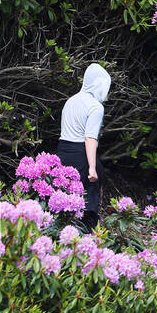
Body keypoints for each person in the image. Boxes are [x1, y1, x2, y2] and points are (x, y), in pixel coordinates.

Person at [58, 62, 111, 234]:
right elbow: (90, 138)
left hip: (62, 152)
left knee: (62, 194)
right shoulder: (96, 107)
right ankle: (84, 236)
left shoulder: (70, 101)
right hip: (81, 155)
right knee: (88, 199)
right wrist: (92, 168)